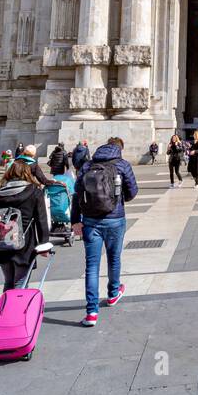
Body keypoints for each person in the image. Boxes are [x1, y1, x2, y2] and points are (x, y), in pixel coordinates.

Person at [74, 138, 138, 325]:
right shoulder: (123, 165)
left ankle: (91, 313)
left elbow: (78, 195)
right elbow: (133, 192)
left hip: (90, 221)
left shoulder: (88, 165)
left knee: (92, 266)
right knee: (114, 258)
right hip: (115, 219)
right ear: (120, 148)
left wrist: (74, 221)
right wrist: (118, 197)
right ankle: (113, 293)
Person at [0, 158, 52, 292]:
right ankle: (15, 311)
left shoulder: (0, 194)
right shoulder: (34, 192)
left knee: (8, 282)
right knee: (20, 281)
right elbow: (41, 220)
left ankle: (6, 310)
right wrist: (44, 245)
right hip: (24, 244)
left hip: (2, 244)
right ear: (27, 173)